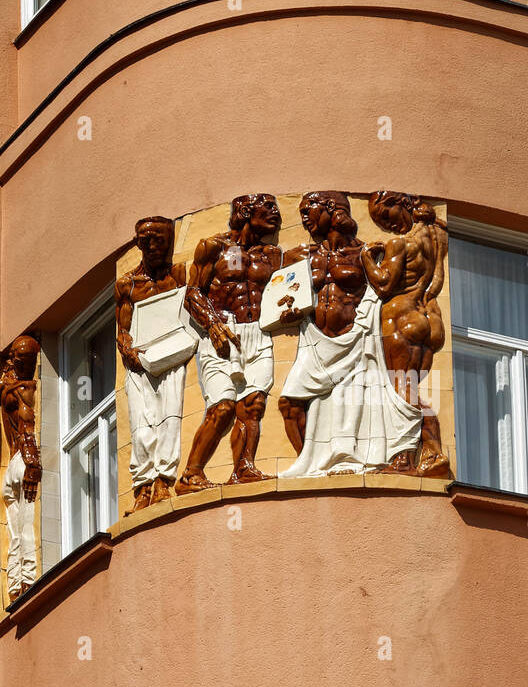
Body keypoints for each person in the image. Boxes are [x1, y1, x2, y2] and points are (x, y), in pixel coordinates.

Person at [277, 191, 394, 476]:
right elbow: (281, 295)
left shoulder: (365, 252)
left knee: (349, 405)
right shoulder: (299, 256)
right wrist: (288, 309)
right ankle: (310, 464)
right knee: (289, 403)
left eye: (309, 210)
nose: (303, 217)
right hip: (314, 338)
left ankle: (344, 459)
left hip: (354, 337)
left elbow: (384, 289)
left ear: (331, 208)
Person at [177, 194, 282, 492]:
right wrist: (212, 325)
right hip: (223, 330)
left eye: (276, 208)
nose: (275, 214)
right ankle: (190, 474)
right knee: (223, 406)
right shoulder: (213, 247)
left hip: (257, 331)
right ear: (247, 212)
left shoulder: (272, 254)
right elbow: (192, 293)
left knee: (253, 405)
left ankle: (243, 468)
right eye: (268, 208)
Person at [360, 190, 451, 477]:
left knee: (399, 392)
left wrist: (366, 259)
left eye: (387, 216)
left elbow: (384, 285)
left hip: (400, 319)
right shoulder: (438, 235)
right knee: (411, 386)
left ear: (402, 205)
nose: (388, 226)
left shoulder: (400, 243)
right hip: (429, 319)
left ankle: (411, 457)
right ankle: (428, 452)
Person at [115, 216, 188, 512]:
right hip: (139, 364)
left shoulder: (179, 274)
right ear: (137, 244)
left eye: (161, 239)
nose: (155, 246)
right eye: (147, 241)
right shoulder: (127, 284)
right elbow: (122, 329)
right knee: (141, 426)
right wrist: (127, 348)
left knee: (170, 417)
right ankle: (143, 486)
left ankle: (163, 482)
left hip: (172, 356)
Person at [0, 334, 41, 600]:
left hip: (10, 466)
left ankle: (15, 585)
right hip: (23, 459)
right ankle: (26, 581)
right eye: (18, 356)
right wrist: (33, 462)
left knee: (15, 529)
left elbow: (1, 383)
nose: (18, 360)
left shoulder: (6, 388)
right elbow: (27, 428)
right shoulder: (25, 390)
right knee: (25, 526)